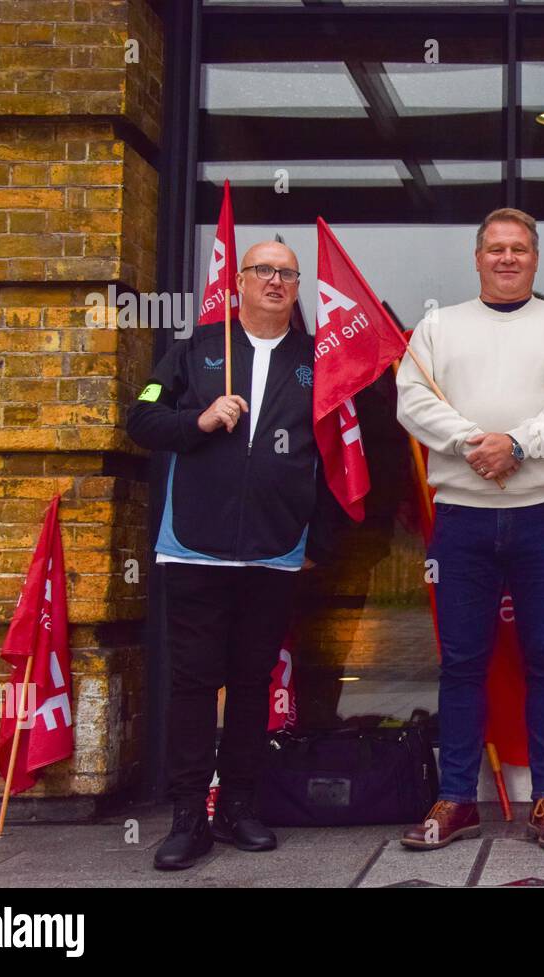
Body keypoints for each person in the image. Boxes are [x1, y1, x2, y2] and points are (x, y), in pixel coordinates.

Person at [395, 208, 544, 850]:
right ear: (477, 258)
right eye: (495, 249)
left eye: (519, 249)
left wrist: (515, 443)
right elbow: (412, 399)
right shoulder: (436, 327)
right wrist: (471, 444)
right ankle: (456, 800)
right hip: (463, 519)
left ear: (535, 259)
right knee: (461, 663)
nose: (507, 258)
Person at [129, 241, 340, 870]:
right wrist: (197, 418)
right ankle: (188, 817)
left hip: (276, 552)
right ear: (239, 282)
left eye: (287, 273)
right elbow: (141, 421)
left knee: (252, 684)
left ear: (298, 287)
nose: (275, 281)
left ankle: (239, 808)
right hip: (194, 547)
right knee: (193, 686)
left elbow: (339, 460)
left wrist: (316, 543)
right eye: (263, 271)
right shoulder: (195, 350)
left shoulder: (316, 361)